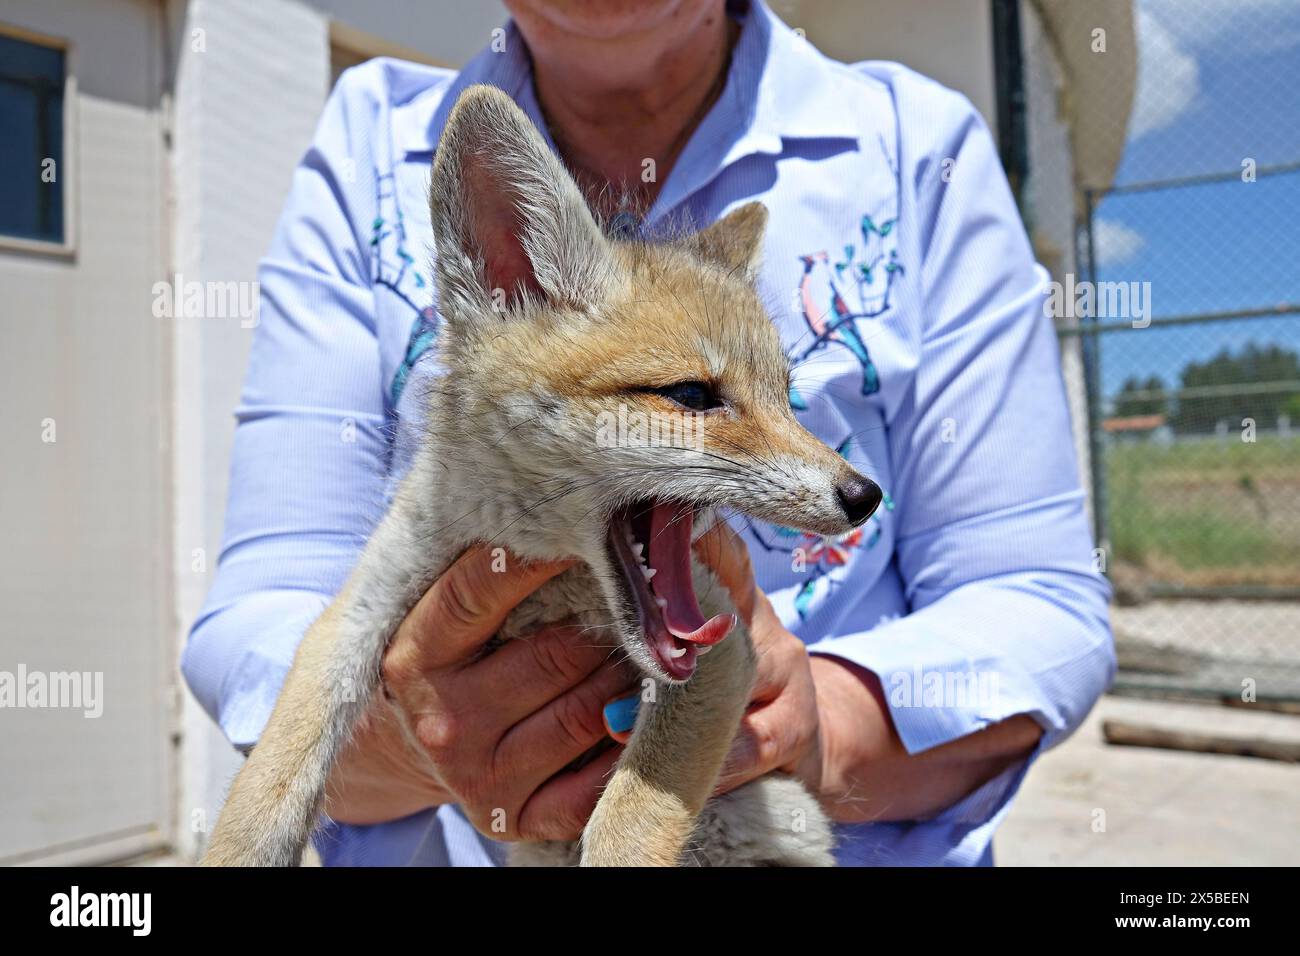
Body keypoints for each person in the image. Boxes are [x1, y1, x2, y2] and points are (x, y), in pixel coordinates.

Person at [183, 0, 1114, 866]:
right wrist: (419, 743)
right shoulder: (369, 140)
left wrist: (815, 723)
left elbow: (1043, 611)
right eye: (700, 402)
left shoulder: (916, 145)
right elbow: (268, 619)